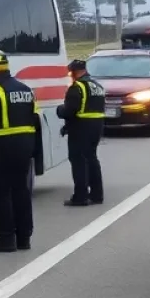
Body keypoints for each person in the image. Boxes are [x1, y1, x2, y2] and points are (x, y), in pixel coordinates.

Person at [0, 50, 40, 253]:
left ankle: (6, 238)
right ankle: (24, 237)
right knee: (21, 191)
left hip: (1, 150)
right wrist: (36, 152)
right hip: (25, 148)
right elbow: (36, 122)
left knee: (1, 194)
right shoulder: (26, 90)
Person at [57, 58, 105, 207]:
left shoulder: (77, 87)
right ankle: (97, 194)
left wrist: (60, 110)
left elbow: (70, 111)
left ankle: (80, 196)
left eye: (71, 72)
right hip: (97, 126)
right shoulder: (97, 86)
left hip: (81, 128)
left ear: (76, 72)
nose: (70, 75)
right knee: (92, 159)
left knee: (78, 161)